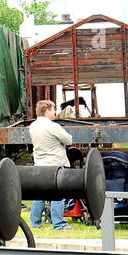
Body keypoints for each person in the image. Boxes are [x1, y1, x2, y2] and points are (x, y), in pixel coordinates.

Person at [28, 99, 73, 231]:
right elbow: (68, 140)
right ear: (47, 110)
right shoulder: (53, 126)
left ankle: (35, 223)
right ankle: (59, 224)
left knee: (39, 195)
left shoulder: (33, 126)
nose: (55, 112)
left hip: (40, 164)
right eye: (53, 109)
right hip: (55, 165)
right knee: (57, 194)